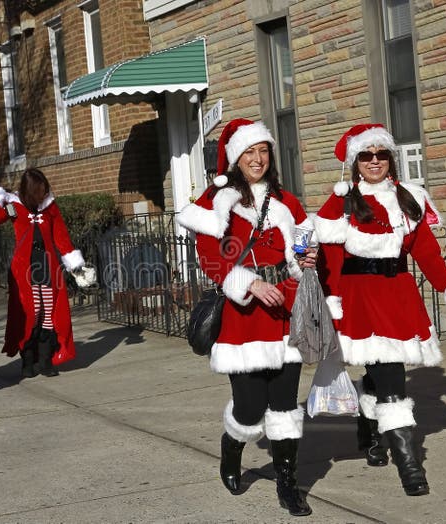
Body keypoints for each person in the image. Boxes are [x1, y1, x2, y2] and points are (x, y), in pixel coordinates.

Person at [314, 123, 446, 497]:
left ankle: (371, 429)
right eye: (367, 155)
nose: (375, 161)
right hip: (358, 297)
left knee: (384, 372)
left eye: (382, 154)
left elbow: (429, 257)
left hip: (398, 294)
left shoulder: (409, 198)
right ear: (355, 161)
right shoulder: (341, 202)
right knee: (389, 376)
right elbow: (331, 262)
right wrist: (332, 302)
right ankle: (409, 465)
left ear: (391, 158)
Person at [176, 119, 317, 517]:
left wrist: (305, 255)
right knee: (251, 408)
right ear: (236, 158)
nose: (257, 159)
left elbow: (304, 239)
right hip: (244, 315)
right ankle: (233, 445)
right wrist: (250, 284)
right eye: (249, 152)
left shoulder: (286, 200)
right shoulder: (219, 200)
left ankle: (288, 483)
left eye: (263, 151)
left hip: (286, 310)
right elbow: (211, 257)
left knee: (286, 406)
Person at [0, 168, 91, 379]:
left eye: (45, 190)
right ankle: (27, 360)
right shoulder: (15, 205)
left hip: (47, 266)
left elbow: (60, 235)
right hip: (25, 268)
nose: (43, 194)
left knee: (48, 315)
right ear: (29, 191)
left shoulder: (50, 207)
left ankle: (45, 361)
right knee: (31, 314)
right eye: (39, 191)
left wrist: (75, 264)